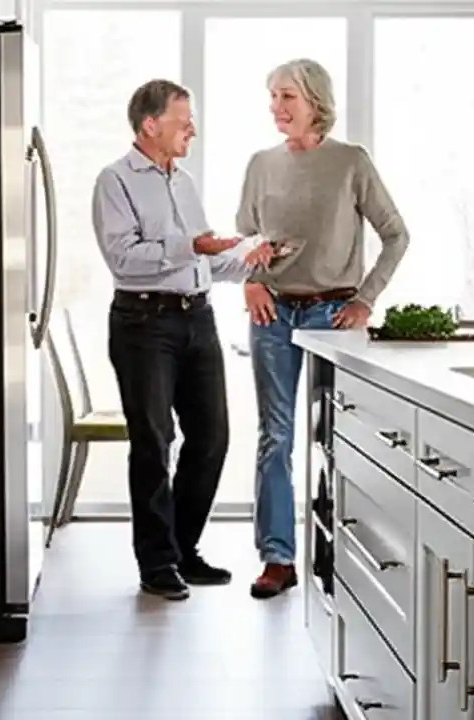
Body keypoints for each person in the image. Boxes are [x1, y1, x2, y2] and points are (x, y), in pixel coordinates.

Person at [238, 59, 410, 599]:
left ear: (315, 100)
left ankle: (341, 550)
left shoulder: (351, 163)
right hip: (273, 315)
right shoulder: (261, 164)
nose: (276, 106)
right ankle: (278, 558)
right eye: (272, 96)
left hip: (334, 317)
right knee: (275, 437)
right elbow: (244, 239)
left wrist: (366, 299)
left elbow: (396, 235)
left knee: (340, 437)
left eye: (286, 95)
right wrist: (251, 282)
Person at [91, 79, 258, 601]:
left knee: (212, 438)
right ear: (150, 125)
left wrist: (248, 258)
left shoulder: (182, 181)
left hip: (197, 319)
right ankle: (157, 562)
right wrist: (192, 244)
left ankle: (183, 549)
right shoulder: (114, 180)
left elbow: (200, 260)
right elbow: (124, 258)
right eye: (183, 121)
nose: (193, 130)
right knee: (153, 443)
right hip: (144, 325)